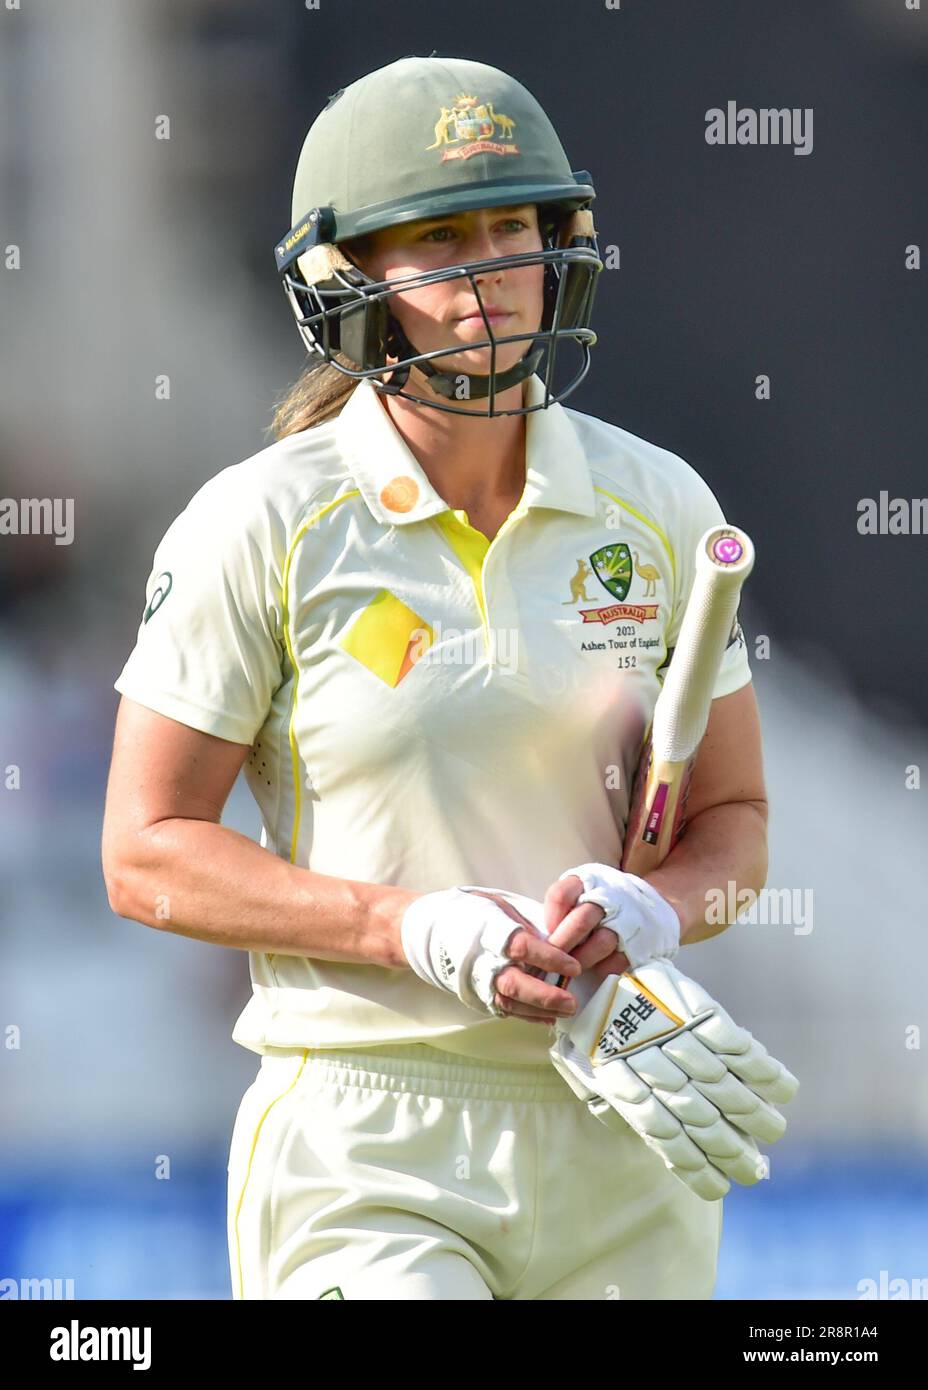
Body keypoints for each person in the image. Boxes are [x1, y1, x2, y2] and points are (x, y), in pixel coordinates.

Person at [102, 55, 768, 1300]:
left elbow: (733, 824)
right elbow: (144, 851)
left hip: (622, 1103)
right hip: (369, 1134)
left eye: (509, 225)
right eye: (437, 238)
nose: (487, 274)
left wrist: (658, 912)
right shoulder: (260, 522)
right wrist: (411, 927)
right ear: (346, 282)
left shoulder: (662, 505)